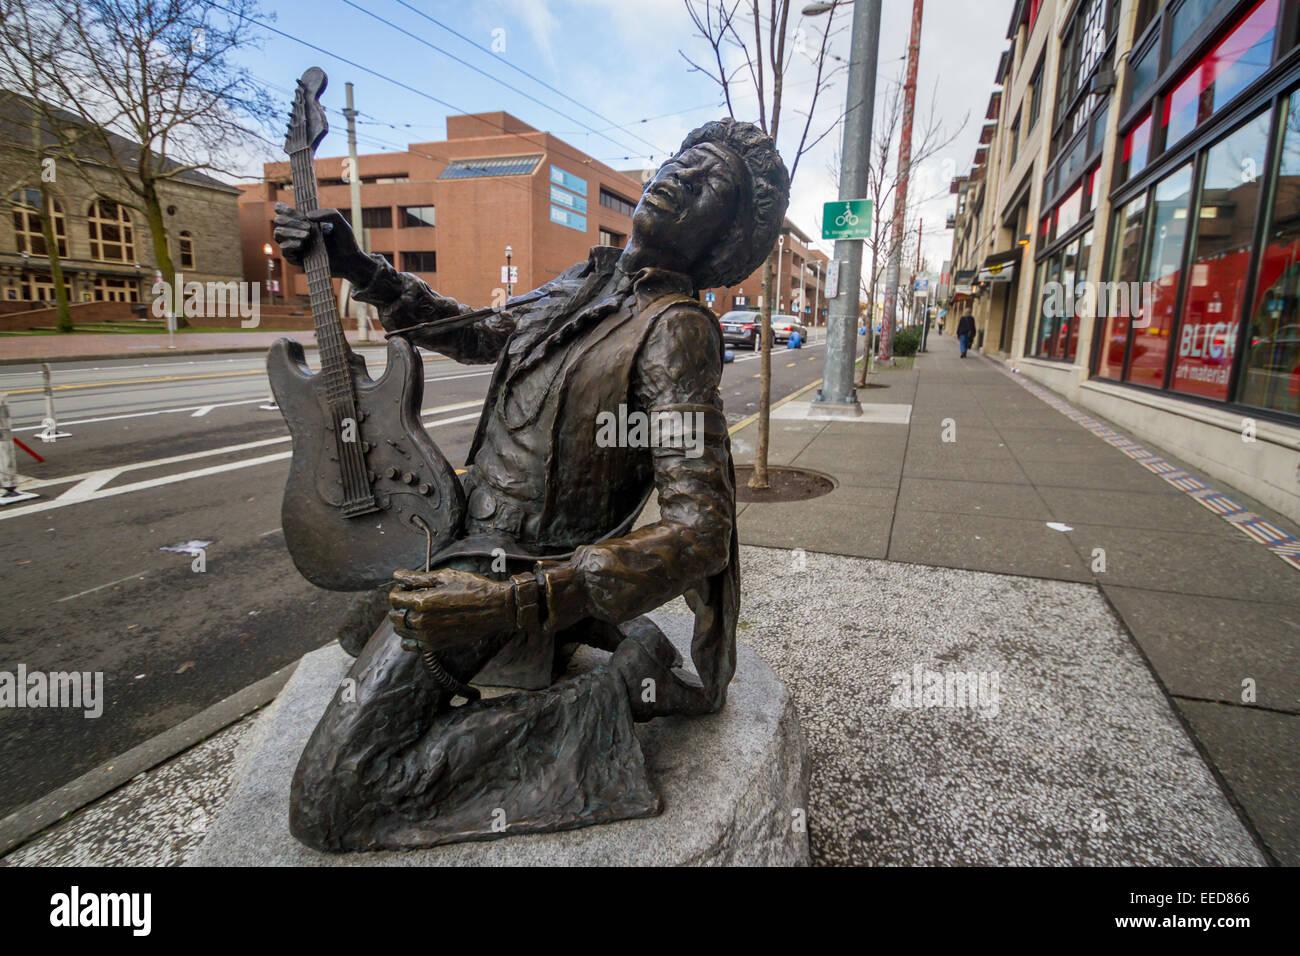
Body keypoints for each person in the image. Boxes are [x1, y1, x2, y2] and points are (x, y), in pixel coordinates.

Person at [273, 119, 790, 849]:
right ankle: (574, 650)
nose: (681, 175)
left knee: (333, 796)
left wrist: (514, 603)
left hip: (513, 571)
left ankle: (600, 699)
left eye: (711, 184)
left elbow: (701, 529)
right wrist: (362, 268)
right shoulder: (588, 280)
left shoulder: (676, 331)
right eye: (682, 159)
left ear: (721, 238)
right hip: (466, 534)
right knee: (355, 652)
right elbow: (479, 332)